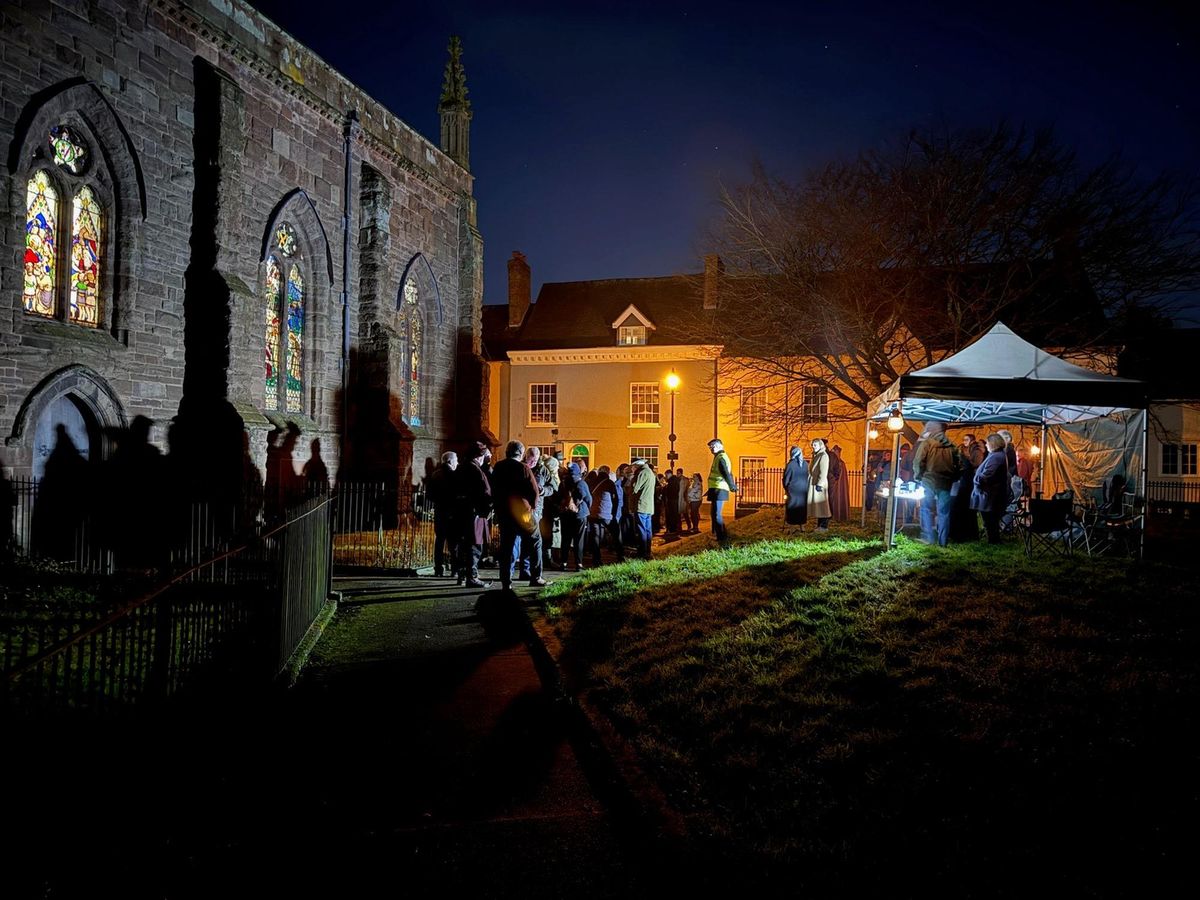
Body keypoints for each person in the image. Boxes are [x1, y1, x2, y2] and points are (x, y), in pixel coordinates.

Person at [490, 440, 543, 591]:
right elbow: (534, 491)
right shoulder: (523, 468)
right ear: (521, 453)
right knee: (536, 540)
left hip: (505, 513)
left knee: (507, 546)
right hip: (523, 514)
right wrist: (531, 508)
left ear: (507, 452)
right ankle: (536, 576)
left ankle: (506, 581)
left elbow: (494, 489)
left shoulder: (499, 467)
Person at [912, 422, 962, 547]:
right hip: (946, 482)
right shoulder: (952, 446)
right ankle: (943, 541)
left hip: (929, 480)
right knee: (944, 512)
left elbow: (918, 461)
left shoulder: (927, 444)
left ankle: (929, 538)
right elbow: (960, 465)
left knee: (926, 508)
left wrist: (918, 476)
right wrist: (954, 477)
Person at [455, 442, 492, 588]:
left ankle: (462, 575)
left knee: (464, 545)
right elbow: (485, 491)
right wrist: (488, 507)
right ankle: (472, 576)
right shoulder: (475, 470)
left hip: (462, 511)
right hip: (474, 512)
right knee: (474, 546)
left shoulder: (461, 467)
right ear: (480, 456)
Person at [971, 434, 1010, 543]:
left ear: (993, 443)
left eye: (988, 442)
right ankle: (993, 540)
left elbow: (988, 473)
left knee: (990, 519)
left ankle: (993, 541)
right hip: (991, 493)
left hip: (990, 493)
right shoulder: (997, 455)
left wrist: (977, 480)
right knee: (990, 519)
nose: (986, 445)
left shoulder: (996, 457)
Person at [426, 450, 458, 577]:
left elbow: (429, 495)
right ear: (450, 461)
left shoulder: (435, 475)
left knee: (439, 541)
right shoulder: (454, 475)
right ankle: (455, 569)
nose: (458, 462)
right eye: (456, 460)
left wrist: (439, 501)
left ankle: (438, 568)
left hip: (440, 512)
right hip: (452, 512)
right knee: (453, 543)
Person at [557, 462, 592, 571]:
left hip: (565, 514)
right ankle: (579, 564)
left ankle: (563, 562)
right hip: (579, 514)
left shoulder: (563, 483)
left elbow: (558, 497)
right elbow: (589, 499)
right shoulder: (581, 483)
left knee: (565, 539)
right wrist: (586, 509)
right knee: (578, 540)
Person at [587, 465, 624, 566]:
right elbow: (615, 499)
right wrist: (614, 513)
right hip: (606, 513)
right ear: (608, 473)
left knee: (596, 536)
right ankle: (620, 556)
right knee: (616, 534)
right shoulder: (609, 483)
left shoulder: (592, 482)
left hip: (593, 513)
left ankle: (596, 560)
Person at [705, 438, 738, 545]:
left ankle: (721, 537)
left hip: (719, 489)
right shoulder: (720, 457)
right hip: (717, 489)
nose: (711, 449)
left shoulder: (720, 458)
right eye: (710, 447)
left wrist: (732, 486)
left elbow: (725, 473)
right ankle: (723, 534)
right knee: (715, 514)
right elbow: (728, 473)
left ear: (720, 446)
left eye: (713, 446)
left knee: (716, 514)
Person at [538, 455, 562, 570]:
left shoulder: (545, 475)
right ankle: (547, 560)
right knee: (546, 537)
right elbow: (554, 493)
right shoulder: (551, 478)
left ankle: (547, 559)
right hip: (547, 512)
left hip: (546, 511)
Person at [631, 457, 656, 558]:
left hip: (641, 505)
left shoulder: (642, 473)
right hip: (649, 505)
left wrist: (633, 478)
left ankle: (642, 552)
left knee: (641, 529)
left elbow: (635, 488)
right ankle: (647, 551)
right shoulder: (650, 472)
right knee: (648, 530)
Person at [807, 438, 831, 530]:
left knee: (822, 506)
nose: (813, 447)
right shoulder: (817, 455)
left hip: (819, 484)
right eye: (812, 445)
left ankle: (824, 526)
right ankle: (820, 525)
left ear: (820, 445)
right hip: (815, 482)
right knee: (819, 506)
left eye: (815, 445)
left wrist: (820, 484)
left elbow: (823, 471)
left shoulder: (823, 456)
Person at [782, 445, 809, 527]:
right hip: (803, 490)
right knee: (802, 508)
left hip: (793, 490)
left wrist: (786, 487)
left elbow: (786, 479)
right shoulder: (805, 464)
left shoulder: (790, 464)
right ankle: (802, 526)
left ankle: (792, 527)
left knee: (792, 508)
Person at [828, 444, 850, 522]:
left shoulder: (840, 463)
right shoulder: (836, 462)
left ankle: (837, 515)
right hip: (834, 484)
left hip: (835, 484)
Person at [664, 468, 682, 534]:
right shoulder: (675, 480)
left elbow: (670, 491)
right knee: (674, 514)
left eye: (666, 475)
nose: (665, 477)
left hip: (671, 499)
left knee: (671, 515)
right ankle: (674, 528)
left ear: (669, 474)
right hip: (674, 499)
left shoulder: (671, 481)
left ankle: (672, 529)